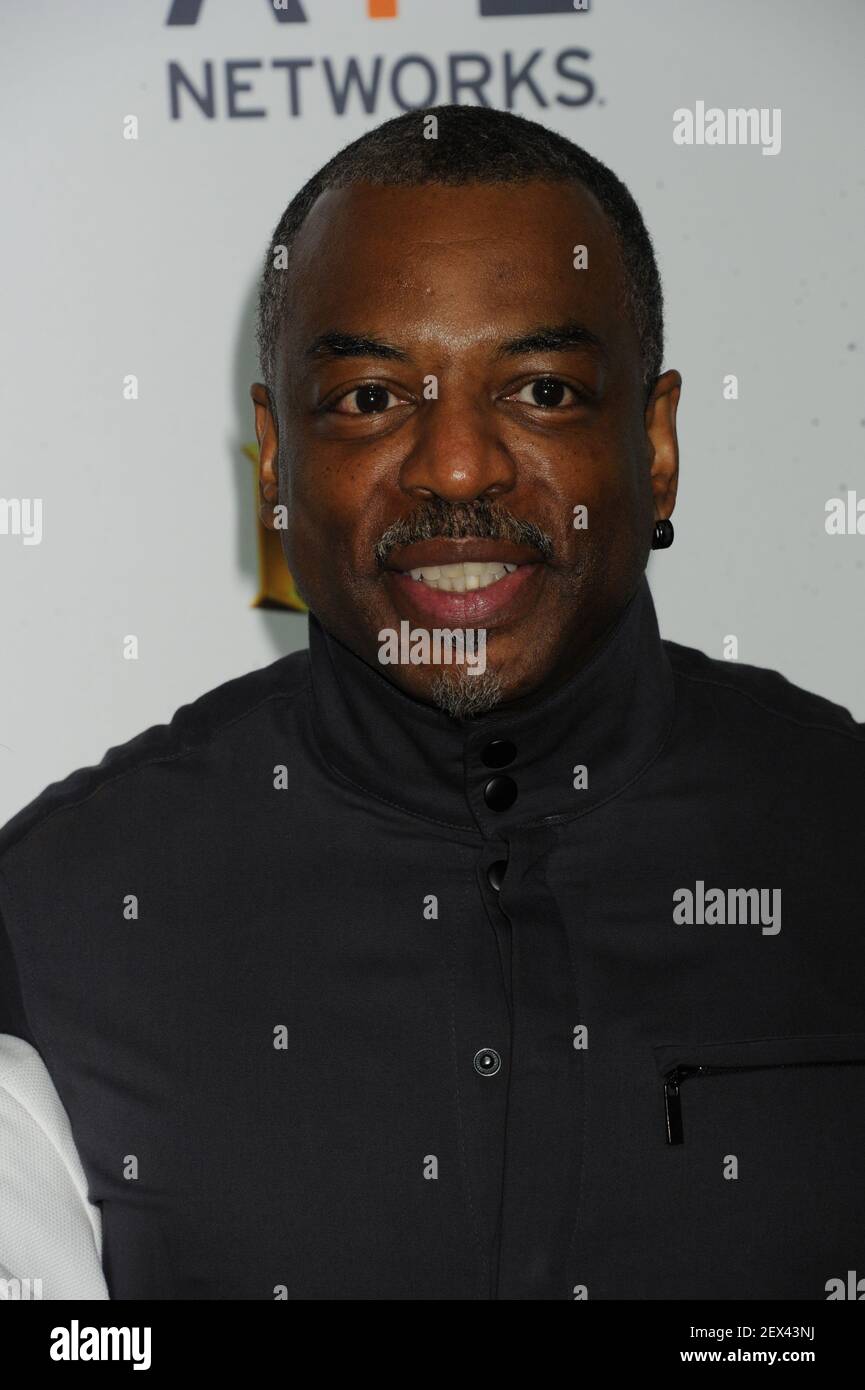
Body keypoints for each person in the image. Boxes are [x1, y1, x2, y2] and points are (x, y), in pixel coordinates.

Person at [1, 104, 863, 1302]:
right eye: (367, 398)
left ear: (654, 446)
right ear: (273, 465)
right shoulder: (56, 916)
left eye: (543, 390)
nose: (456, 466)